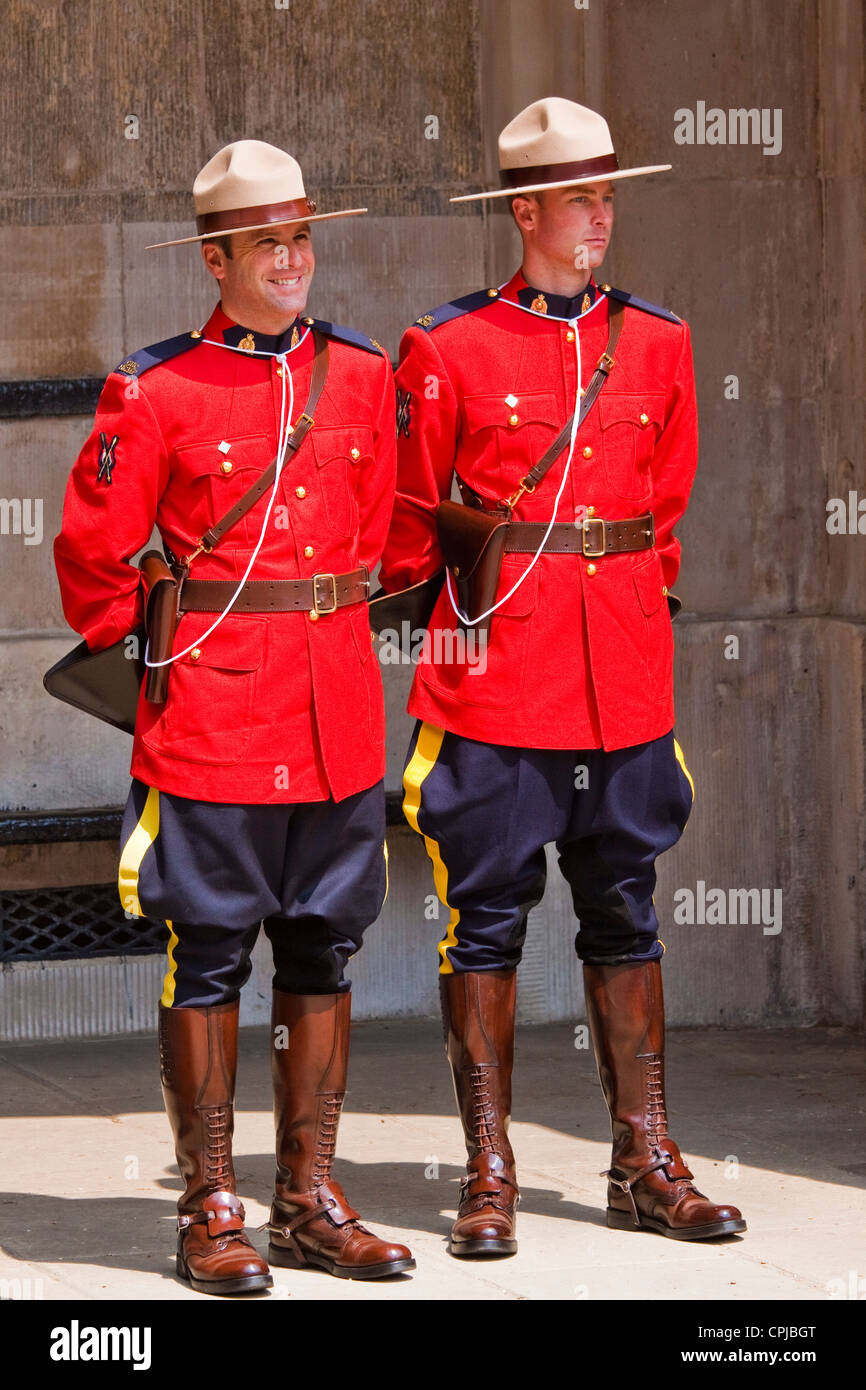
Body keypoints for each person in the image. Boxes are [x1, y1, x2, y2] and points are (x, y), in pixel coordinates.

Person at [379, 98, 746, 1255]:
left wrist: (625, 608)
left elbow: (662, 511)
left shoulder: (661, 341)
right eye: (578, 196)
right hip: (494, 681)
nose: (600, 214)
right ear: (523, 211)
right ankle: (487, 1168)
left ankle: (643, 1156)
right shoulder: (446, 345)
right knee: (484, 920)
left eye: (608, 192)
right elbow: (408, 531)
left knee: (623, 909)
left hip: (621, 677)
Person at [54, 139, 414, 1292]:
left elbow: (388, 537)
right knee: (207, 952)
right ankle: (212, 1202)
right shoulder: (153, 388)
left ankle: (308, 1195)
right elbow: (93, 560)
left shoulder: (360, 376)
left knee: (324, 944)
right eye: (268, 242)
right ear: (215, 259)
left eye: (302, 237)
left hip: (336, 710)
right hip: (213, 709)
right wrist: (164, 649)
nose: (293, 258)